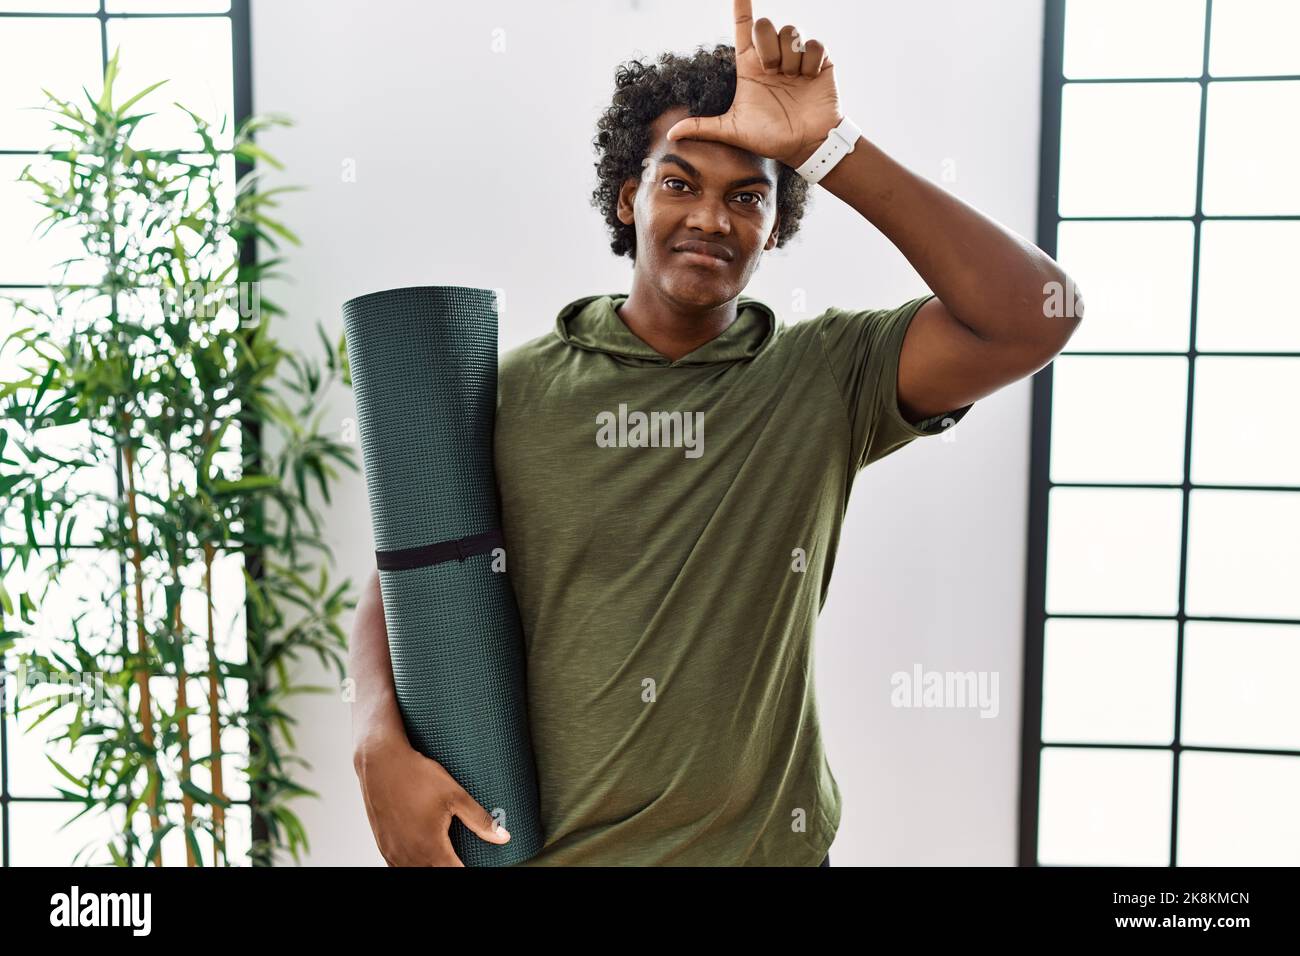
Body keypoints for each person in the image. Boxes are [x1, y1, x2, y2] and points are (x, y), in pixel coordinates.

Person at [350, 0, 1083, 867]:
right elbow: (407, 570)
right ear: (627, 196)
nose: (711, 217)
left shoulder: (827, 375)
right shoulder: (513, 392)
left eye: (748, 196)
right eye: (678, 182)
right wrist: (373, 737)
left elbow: (1036, 314)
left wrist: (830, 147)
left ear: (778, 224)